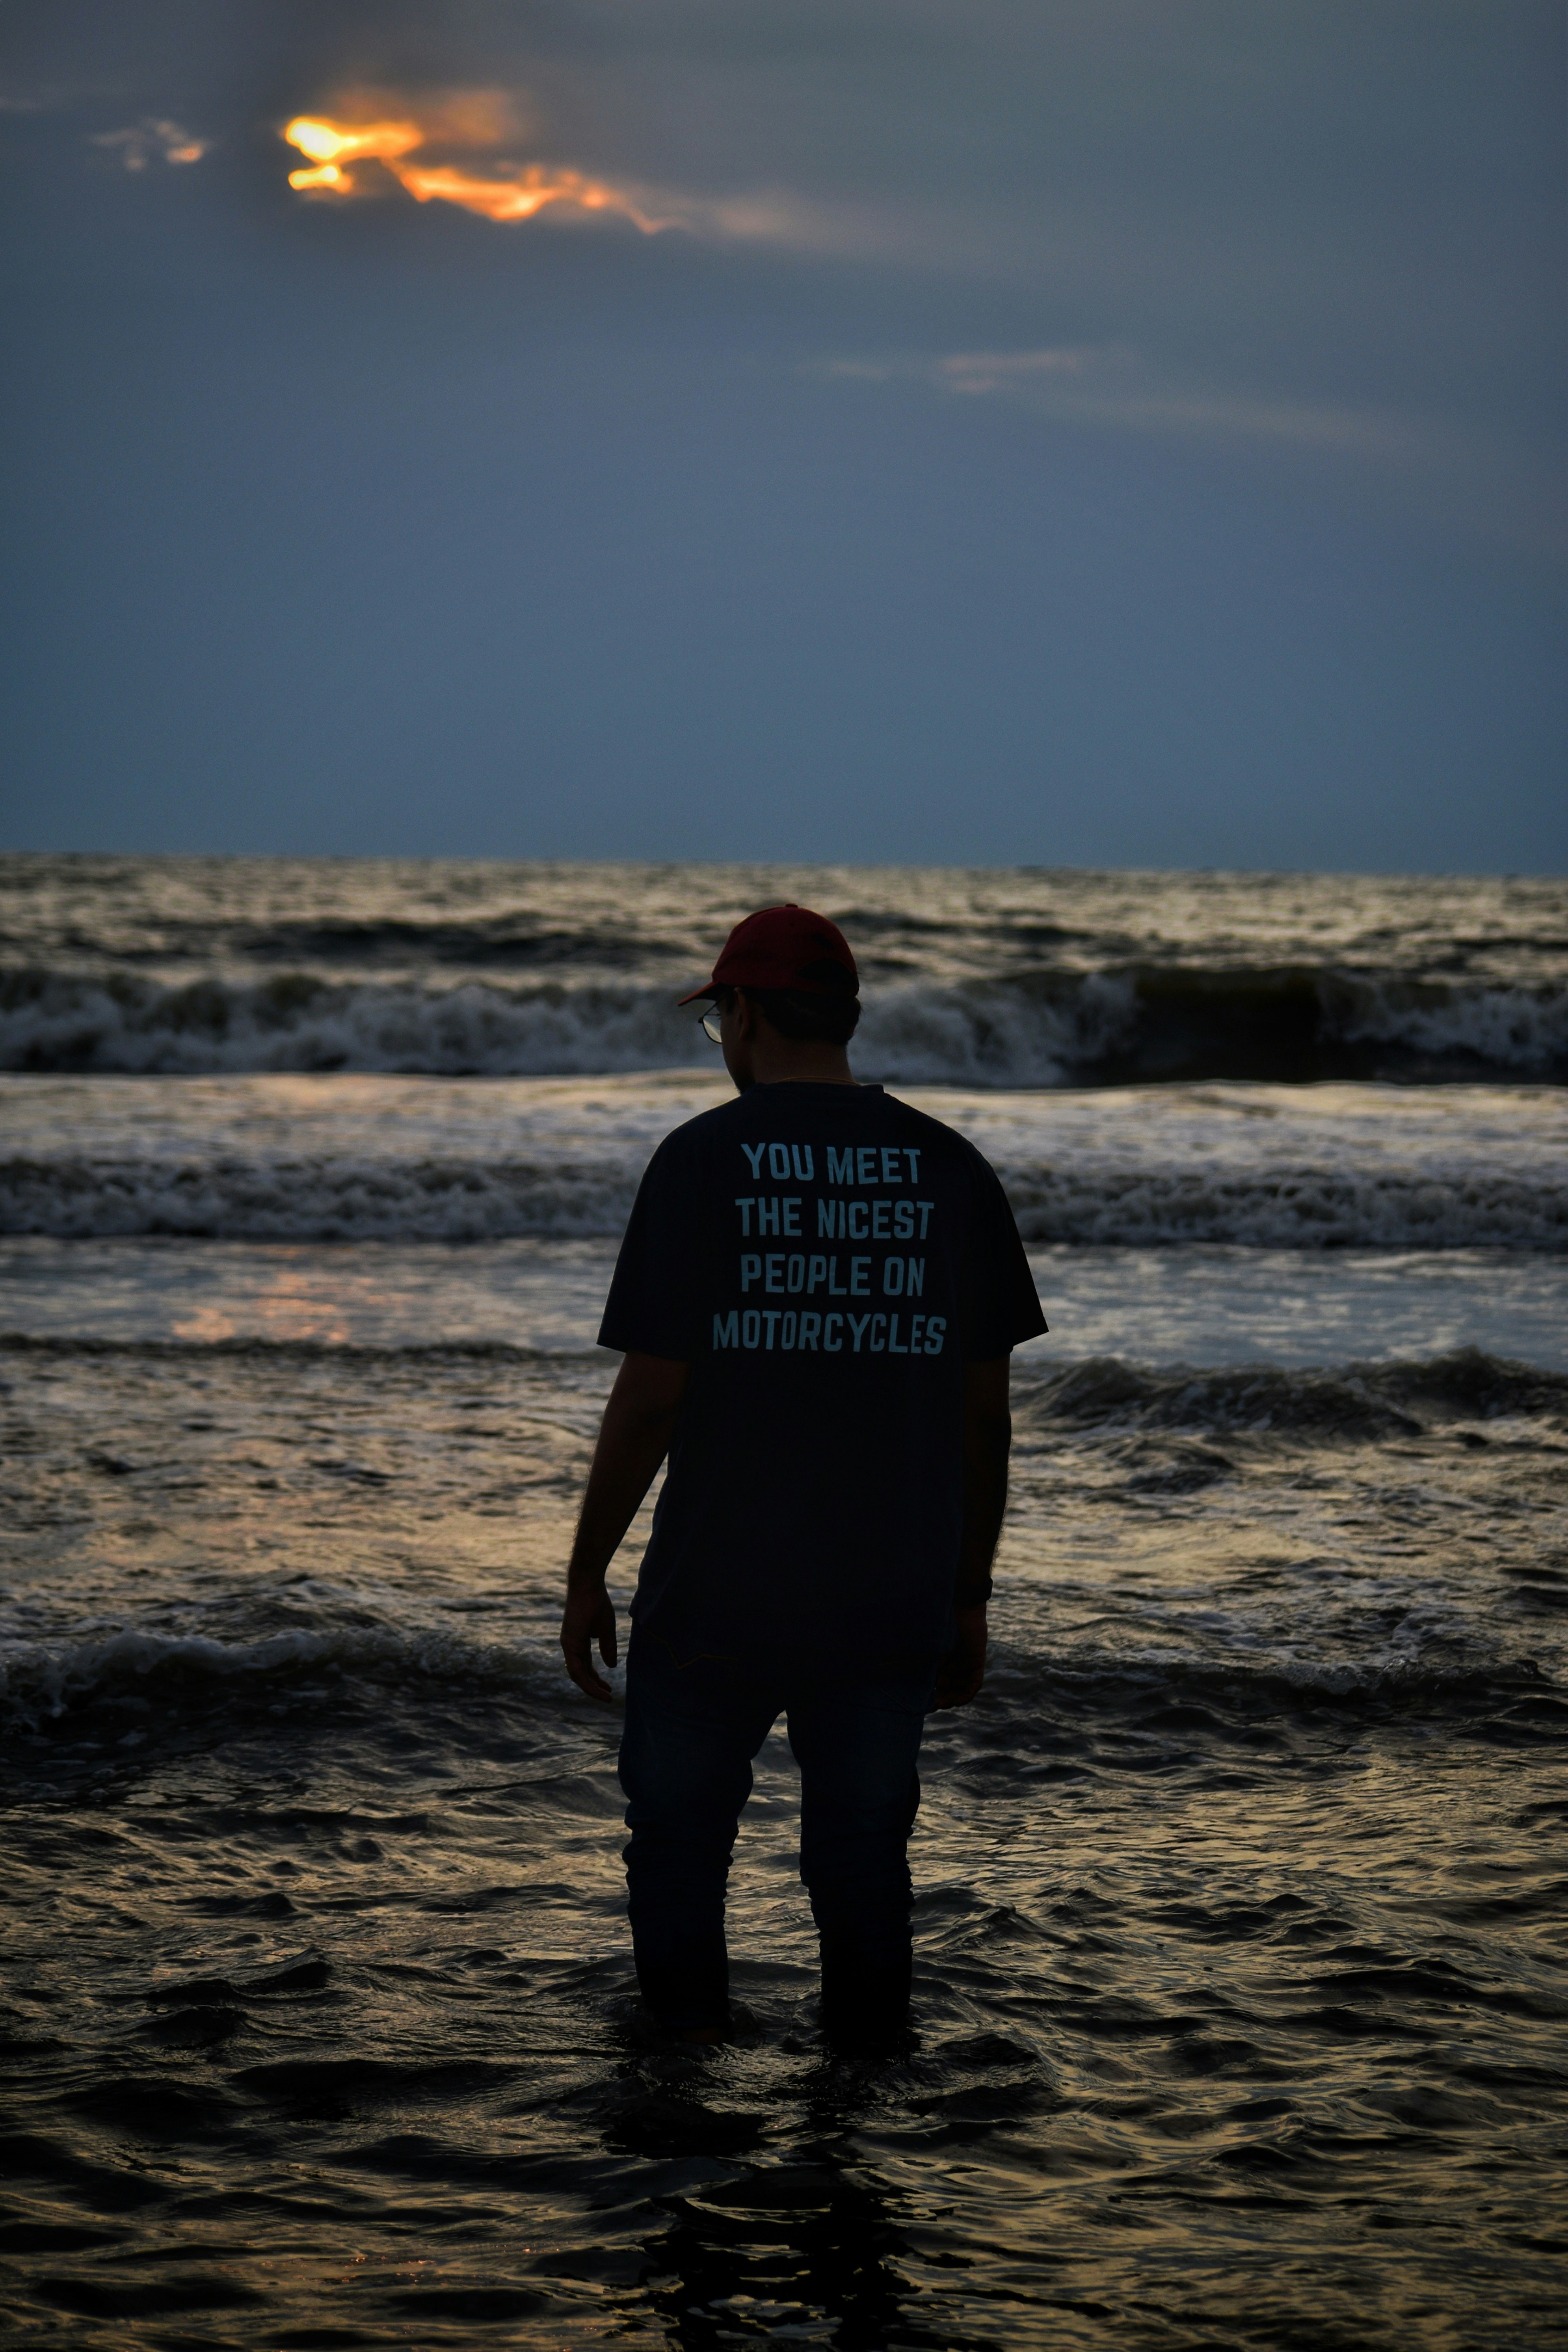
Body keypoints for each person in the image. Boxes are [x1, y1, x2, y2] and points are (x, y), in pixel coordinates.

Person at [559, 903, 1046, 2045]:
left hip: (716, 1593)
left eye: (719, 1013)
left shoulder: (699, 1162)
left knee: (678, 1850)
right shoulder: (950, 1169)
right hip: (886, 1595)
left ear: (748, 1011)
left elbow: (652, 1397)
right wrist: (968, 1592)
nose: (720, 1037)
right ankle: (860, 2123)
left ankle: (678, 2112)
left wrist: (587, 1569)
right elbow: (986, 1418)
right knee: (864, 1853)